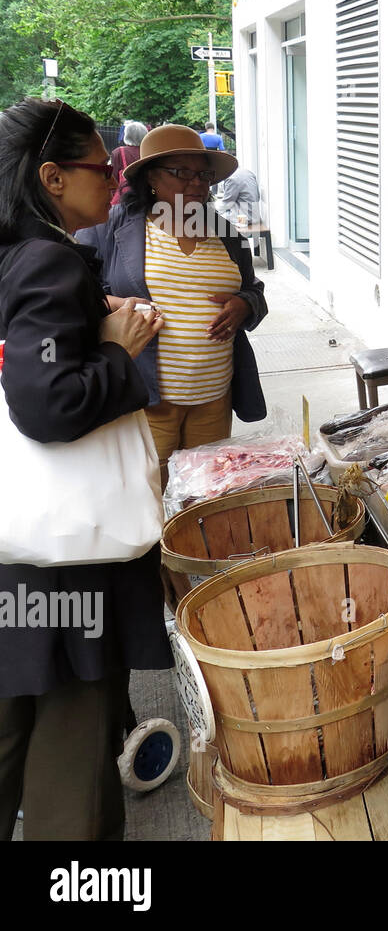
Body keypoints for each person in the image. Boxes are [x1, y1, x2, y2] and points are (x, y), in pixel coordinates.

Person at [0, 97, 171, 840]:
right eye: (102, 165)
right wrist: (117, 350)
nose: (114, 175)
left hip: (22, 556)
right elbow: (46, 399)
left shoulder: (16, 254)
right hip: (67, 564)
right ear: (52, 177)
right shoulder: (47, 260)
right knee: (73, 768)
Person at [79, 125, 267, 482]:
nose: (196, 184)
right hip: (148, 401)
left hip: (214, 395)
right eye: (181, 173)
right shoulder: (112, 228)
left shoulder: (225, 234)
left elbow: (255, 290)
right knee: (151, 496)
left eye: (203, 174)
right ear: (151, 176)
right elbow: (75, 297)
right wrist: (116, 304)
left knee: (205, 495)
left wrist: (245, 304)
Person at [109, 121, 146, 206]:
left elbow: (113, 179)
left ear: (127, 135)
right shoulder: (149, 152)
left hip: (125, 201)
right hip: (146, 198)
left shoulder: (119, 152)